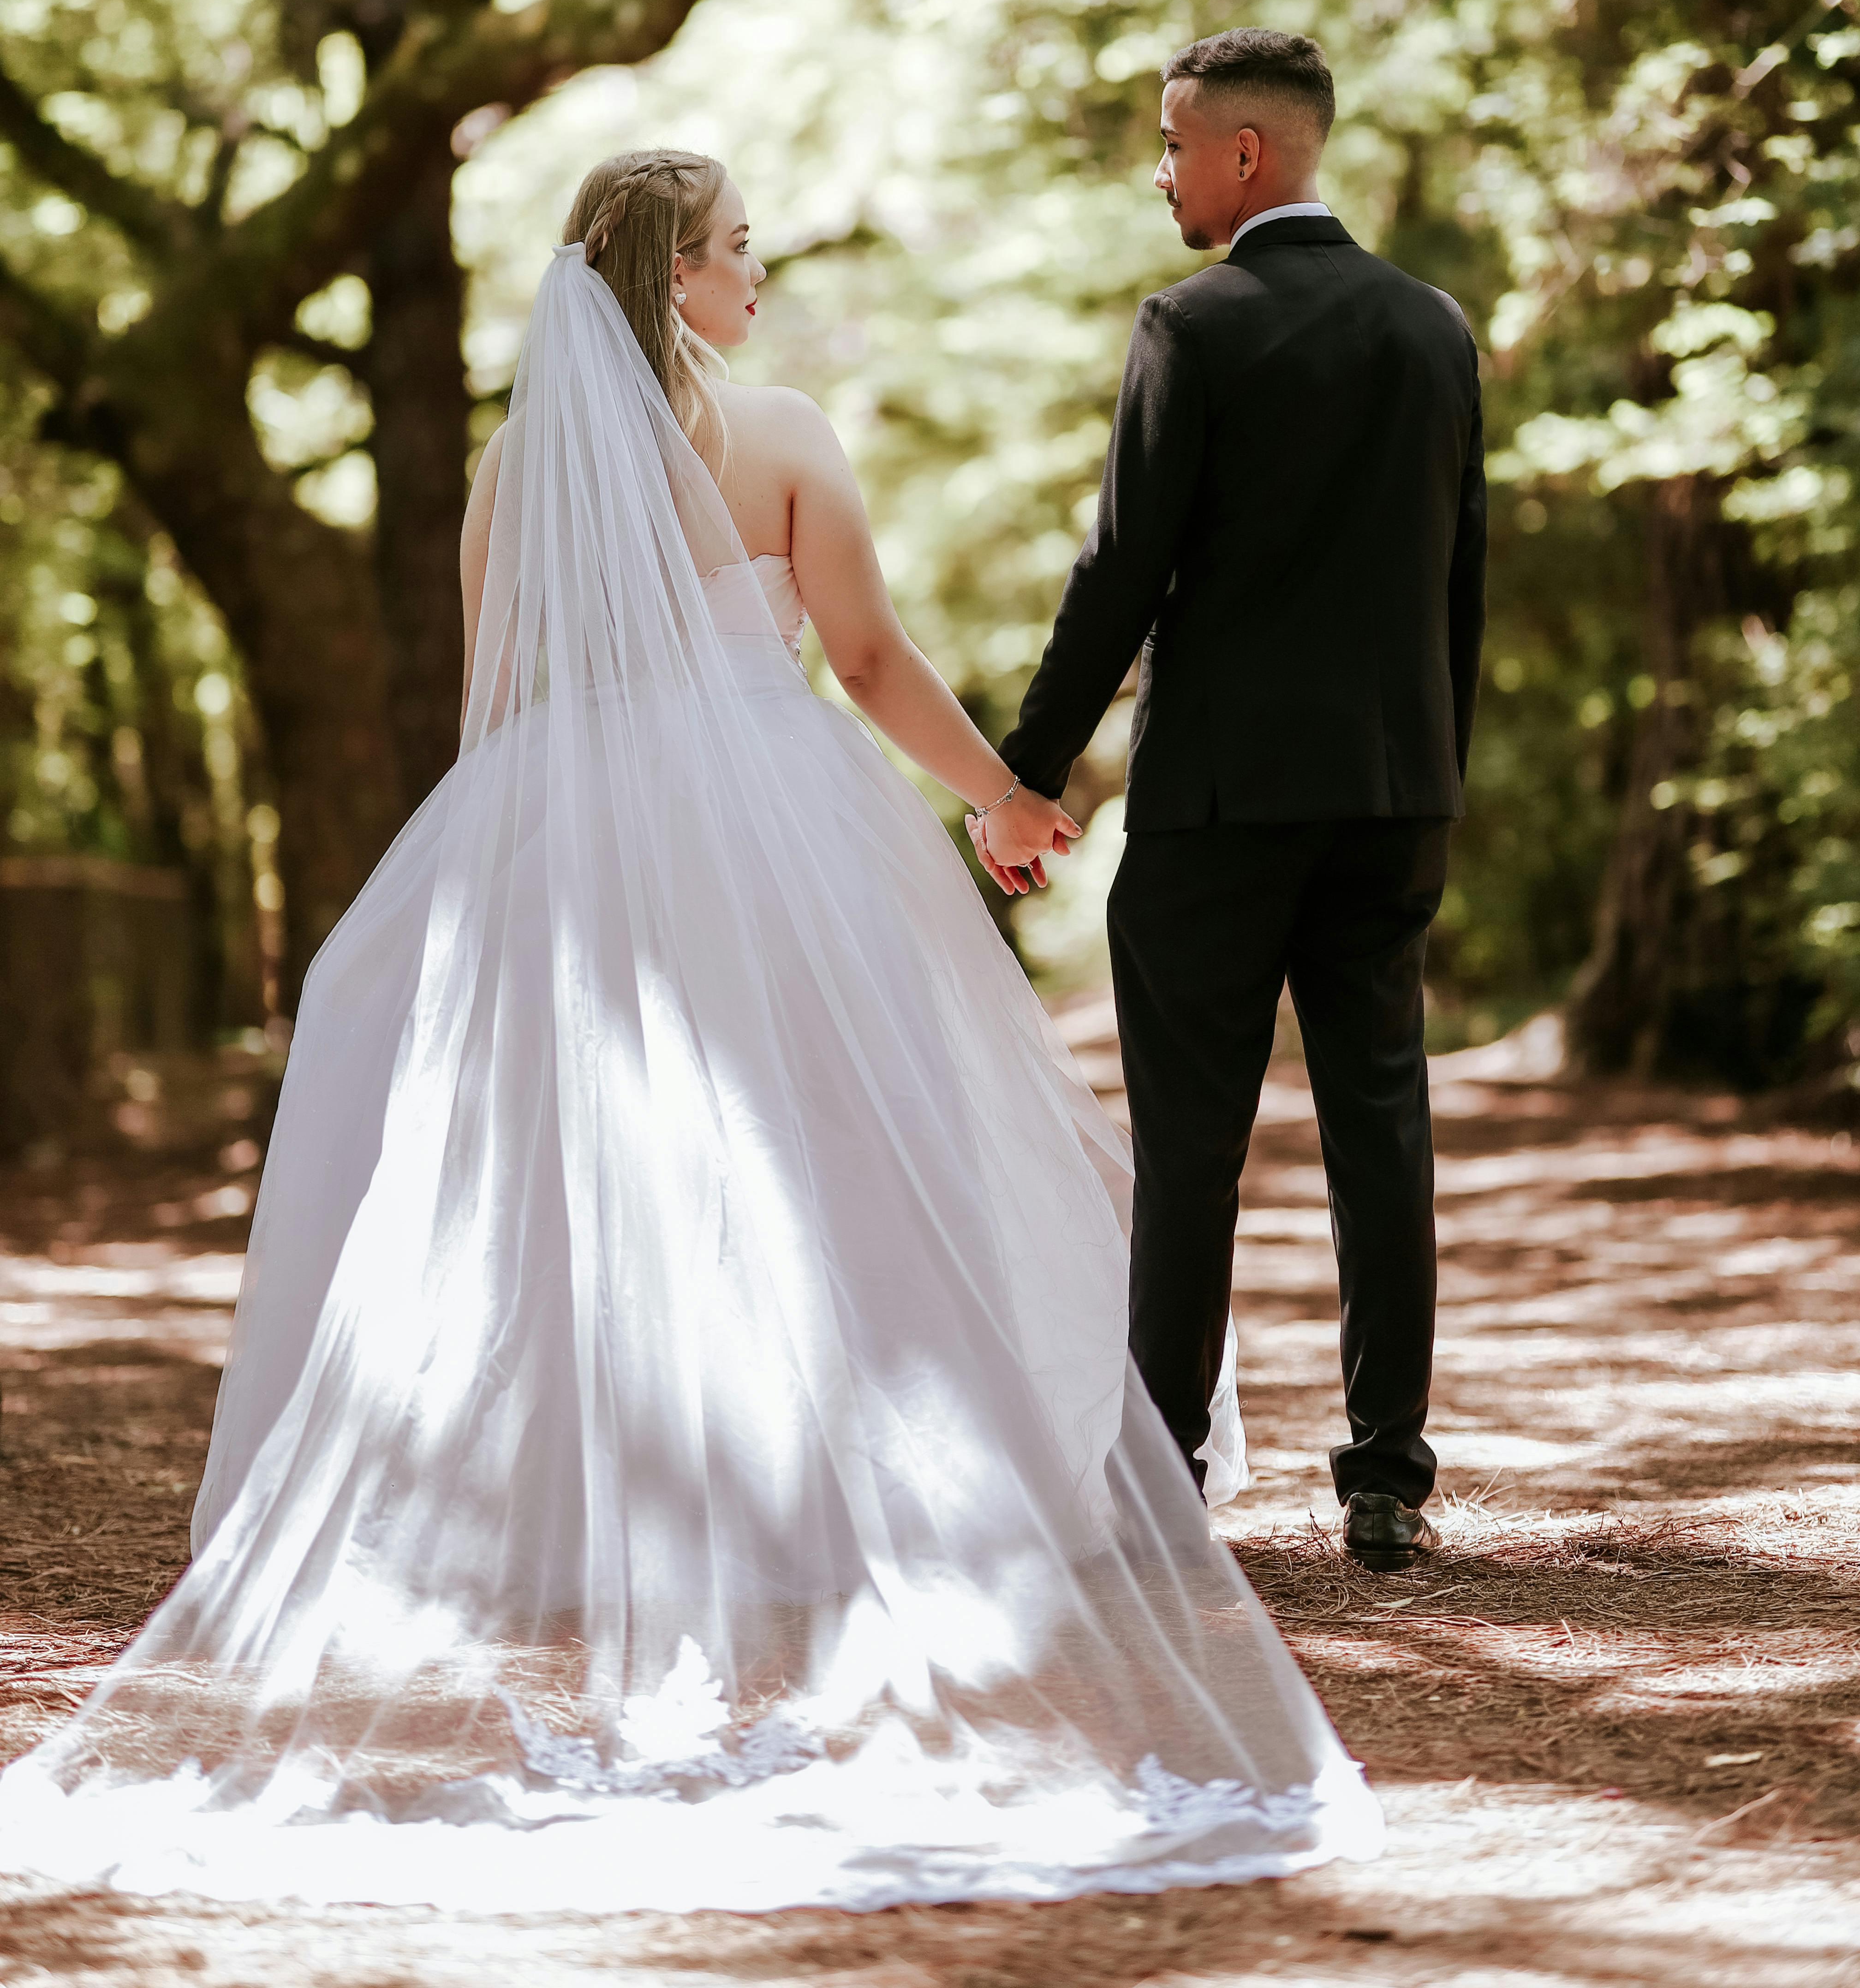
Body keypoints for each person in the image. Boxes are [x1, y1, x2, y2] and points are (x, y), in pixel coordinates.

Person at [0, 147, 1380, 1913]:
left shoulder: (515, 472)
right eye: (738, 253)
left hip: (570, 837)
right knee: (849, 1143)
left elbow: (499, 693)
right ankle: (844, 1496)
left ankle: (614, 1505)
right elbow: (869, 664)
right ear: (671, 281)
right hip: (779, 825)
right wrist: (1008, 801)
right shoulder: (784, 436)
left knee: (596, 1171)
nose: (758, 279)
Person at [984, 31, 1486, 1574]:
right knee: (1379, 1123)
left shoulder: (1190, 327)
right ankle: (1387, 1476)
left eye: (1172, 143)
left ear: (1246, 157)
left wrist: (1026, 773)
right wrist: (1433, 769)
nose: (1160, 171)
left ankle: (1165, 1477)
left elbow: (1121, 572)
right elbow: (1460, 580)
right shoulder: (1434, 331)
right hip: (1391, 793)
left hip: (1215, 804)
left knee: (1193, 1144)